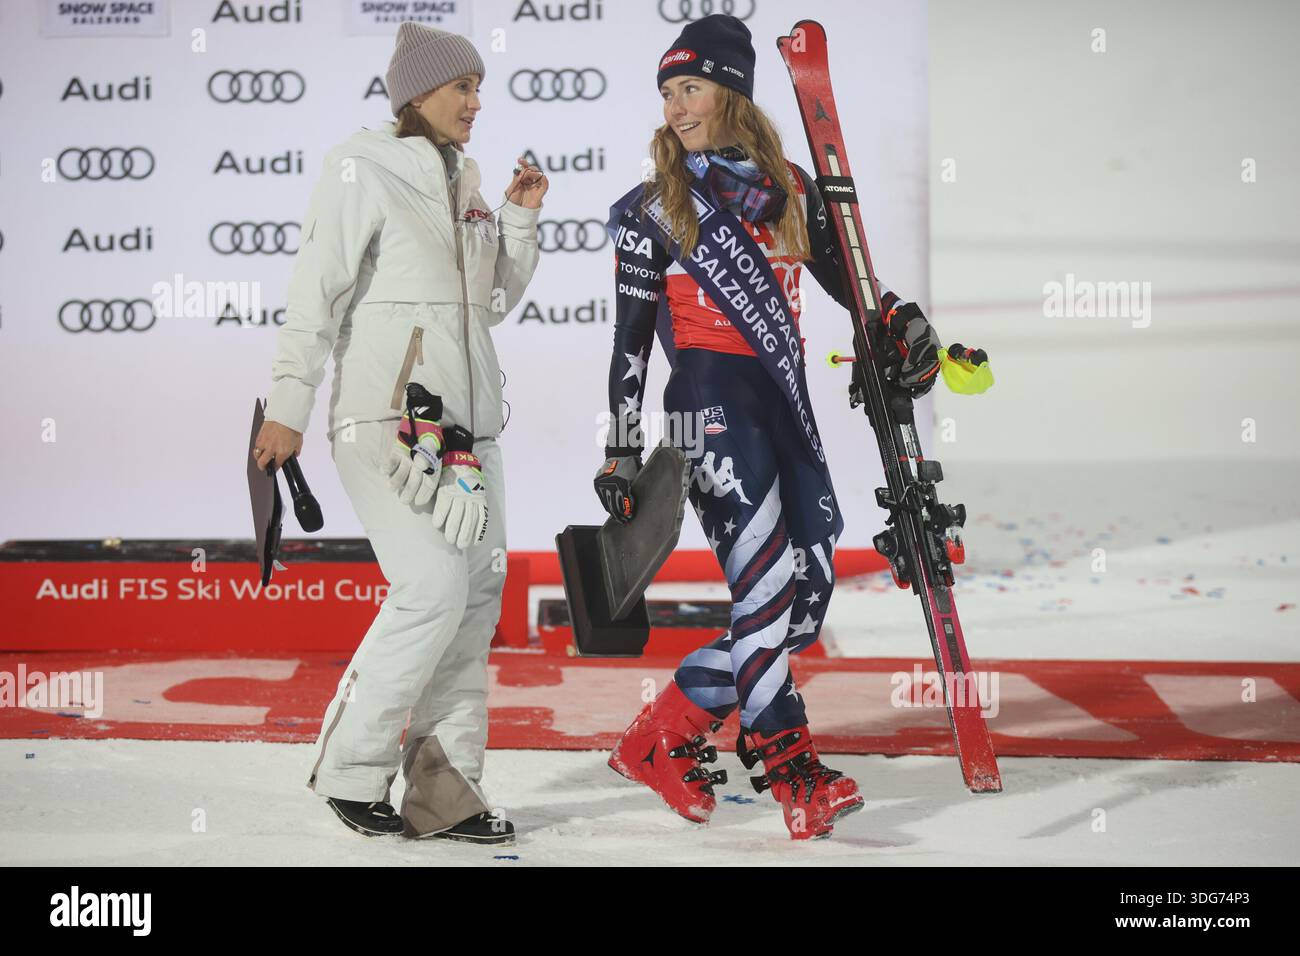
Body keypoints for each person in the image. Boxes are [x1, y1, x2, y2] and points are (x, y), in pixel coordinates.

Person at [594, 14, 944, 840]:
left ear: (732, 91)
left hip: (782, 403)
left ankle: (661, 737)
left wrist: (897, 321)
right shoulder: (652, 207)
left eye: (692, 87)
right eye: (668, 92)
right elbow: (629, 344)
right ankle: (794, 773)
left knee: (806, 590)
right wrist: (619, 448)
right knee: (762, 587)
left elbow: (849, 287)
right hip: (705, 408)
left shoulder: (786, 186)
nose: (677, 107)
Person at [252, 22, 547, 844]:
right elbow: (318, 286)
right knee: (431, 589)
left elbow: (487, 304)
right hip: (388, 423)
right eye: (462, 87)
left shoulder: (471, 180)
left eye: (479, 88)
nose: (476, 103)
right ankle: (350, 769)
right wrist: (288, 402)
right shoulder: (363, 166)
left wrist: (518, 223)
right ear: (418, 92)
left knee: (472, 604)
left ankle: (446, 796)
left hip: (468, 433)